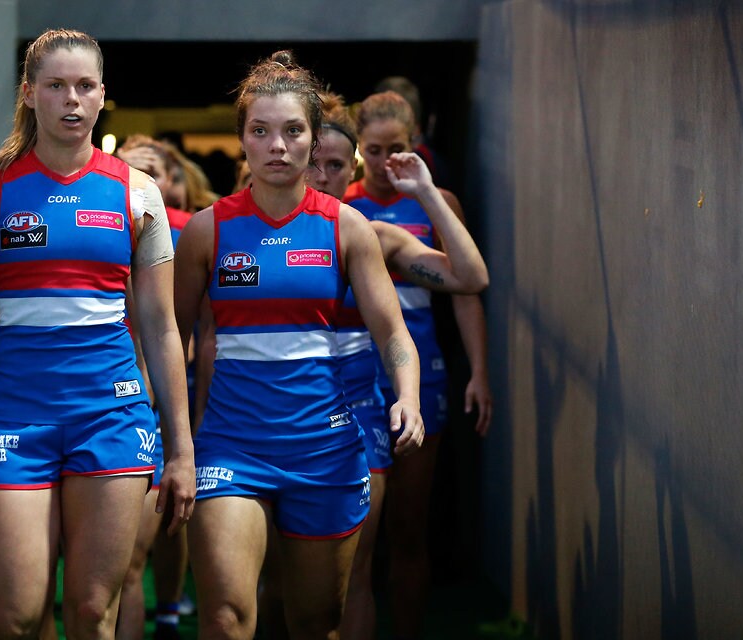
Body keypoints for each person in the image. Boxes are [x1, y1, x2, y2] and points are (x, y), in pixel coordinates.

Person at [0, 28, 196, 639]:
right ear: (30, 93)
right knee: (16, 617)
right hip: (15, 417)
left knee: (94, 613)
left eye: (85, 86)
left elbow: (162, 329)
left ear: (101, 97)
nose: (71, 99)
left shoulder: (137, 193)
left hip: (111, 418)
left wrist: (182, 451)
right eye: (56, 85)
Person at [172, 50, 424, 639]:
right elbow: (168, 336)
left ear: (314, 141)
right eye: (261, 131)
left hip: (327, 453)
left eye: (292, 131)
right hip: (231, 449)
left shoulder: (347, 227)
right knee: (228, 618)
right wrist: (170, 434)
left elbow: (393, 333)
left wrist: (407, 397)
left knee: (316, 622)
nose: (277, 146)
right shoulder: (209, 231)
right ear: (243, 141)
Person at [304, 91, 489, 640]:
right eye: (376, 150)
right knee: (297, 565)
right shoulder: (262, 224)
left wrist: (427, 192)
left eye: (335, 165)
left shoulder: (375, 230)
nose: (387, 162)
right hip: (308, 399)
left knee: (399, 533)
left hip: (406, 380)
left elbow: (469, 284)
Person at [113, 133, 197, 640]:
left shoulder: (189, 231)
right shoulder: (95, 215)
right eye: (129, 168)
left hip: (172, 394)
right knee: (125, 559)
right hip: (117, 399)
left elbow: (184, 326)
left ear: (171, 182)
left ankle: (167, 604)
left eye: (153, 170)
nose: (143, 180)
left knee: (168, 522)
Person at [373, 75, 455, 192]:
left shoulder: (432, 165)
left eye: (396, 148)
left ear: (415, 129)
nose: (383, 164)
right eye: (374, 151)